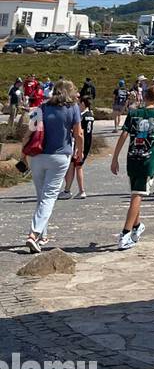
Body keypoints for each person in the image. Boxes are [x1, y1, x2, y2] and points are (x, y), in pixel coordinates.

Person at [23, 79, 84, 254]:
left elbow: (29, 132)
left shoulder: (41, 106)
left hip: (37, 156)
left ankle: (42, 236)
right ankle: (33, 235)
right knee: (49, 197)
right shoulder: (72, 108)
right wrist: (79, 151)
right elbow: (78, 133)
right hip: (59, 157)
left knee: (41, 196)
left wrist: (23, 154)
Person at [110, 84, 154, 249]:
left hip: (132, 158)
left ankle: (136, 226)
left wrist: (115, 158)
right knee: (137, 195)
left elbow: (123, 134)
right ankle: (125, 233)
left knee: (135, 192)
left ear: (144, 97)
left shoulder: (134, 114)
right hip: (147, 160)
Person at [61, 95, 95, 198]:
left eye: (79, 103)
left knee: (75, 167)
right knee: (74, 166)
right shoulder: (91, 115)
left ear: (83, 104)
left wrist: (78, 148)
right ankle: (70, 189)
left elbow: (80, 133)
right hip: (87, 143)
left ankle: (75, 190)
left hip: (79, 144)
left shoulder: (82, 116)